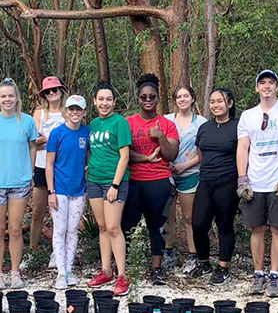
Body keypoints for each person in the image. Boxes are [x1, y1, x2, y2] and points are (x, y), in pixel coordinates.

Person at [236, 69, 278, 297]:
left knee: (277, 228)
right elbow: (243, 147)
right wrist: (242, 178)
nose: (266, 86)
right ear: (256, 88)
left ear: (277, 87)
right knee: (256, 228)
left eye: (271, 83)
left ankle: (274, 274)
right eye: (262, 83)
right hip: (255, 182)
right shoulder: (248, 116)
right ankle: (258, 273)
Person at [0, 78, 39, 289]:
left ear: (17, 97)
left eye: (11, 95)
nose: (7, 99)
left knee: (15, 229)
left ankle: (15, 272)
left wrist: (30, 171)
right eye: (3, 96)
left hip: (19, 182)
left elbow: (32, 147)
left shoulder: (27, 121)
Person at [121, 74, 180, 285]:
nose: (148, 100)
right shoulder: (127, 123)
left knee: (157, 226)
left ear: (157, 98)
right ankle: (124, 268)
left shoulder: (167, 124)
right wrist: (145, 157)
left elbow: (172, 154)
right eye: (143, 97)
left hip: (159, 181)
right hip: (134, 181)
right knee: (127, 224)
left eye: (152, 96)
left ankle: (156, 269)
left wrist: (160, 137)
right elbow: (124, 154)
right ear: (138, 98)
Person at [85, 83, 133, 296]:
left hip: (114, 182)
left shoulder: (120, 122)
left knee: (114, 227)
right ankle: (106, 271)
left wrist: (114, 184)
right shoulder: (93, 124)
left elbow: (125, 156)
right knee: (102, 227)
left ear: (114, 102)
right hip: (93, 180)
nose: (104, 103)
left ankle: (122, 275)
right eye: (100, 99)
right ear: (95, 101)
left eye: (108, 99)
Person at [192, 88, 240, 285]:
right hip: (205, 181)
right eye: (212, 101)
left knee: (224, 225)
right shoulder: (205, 127)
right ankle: (204, 262)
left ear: (229, 104)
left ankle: (223, 266)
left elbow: (244, 153)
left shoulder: (238, 126)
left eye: (220, 101)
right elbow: (200, 152)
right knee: (198, 224)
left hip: (228, 181)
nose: (215, 105)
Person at [45, 95, 91, 289]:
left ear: (84, 112)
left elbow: (89, 158)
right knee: (60, 229)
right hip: (59, 190)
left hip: (79, 190)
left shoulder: (87, 133)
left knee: (72, 230)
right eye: (71, 109)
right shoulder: (57, 133)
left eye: (78, 109)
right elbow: (49, 164)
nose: (75, 113)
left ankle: (70, 269)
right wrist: (50, 191)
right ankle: (61, 273)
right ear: (66, 111)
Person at [164, 85, 206, 274]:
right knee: (168, 217)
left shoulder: (201, 123)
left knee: (189, 217)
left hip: (190, 174)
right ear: (175, 100)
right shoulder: (166, 121)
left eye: (186, 96)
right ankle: (168, 252)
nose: (182, 99)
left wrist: (184, 166)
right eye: (179, 96)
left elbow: (204, 153)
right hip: (167, 174)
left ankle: (193, 255)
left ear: (193, 98)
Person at [30, 76, 67, 262]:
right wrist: (54, 140)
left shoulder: (68, 113)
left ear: (61, 91)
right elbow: (36, 140)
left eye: (55, 90)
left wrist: (49, 140)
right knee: (38, 211)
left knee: (58, 213)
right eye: (48, 91)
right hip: (41, 165)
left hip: (62, 168)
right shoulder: (39, 113)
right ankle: (32, 252)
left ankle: (57, 252)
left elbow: (68, 141)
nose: (52, 94)